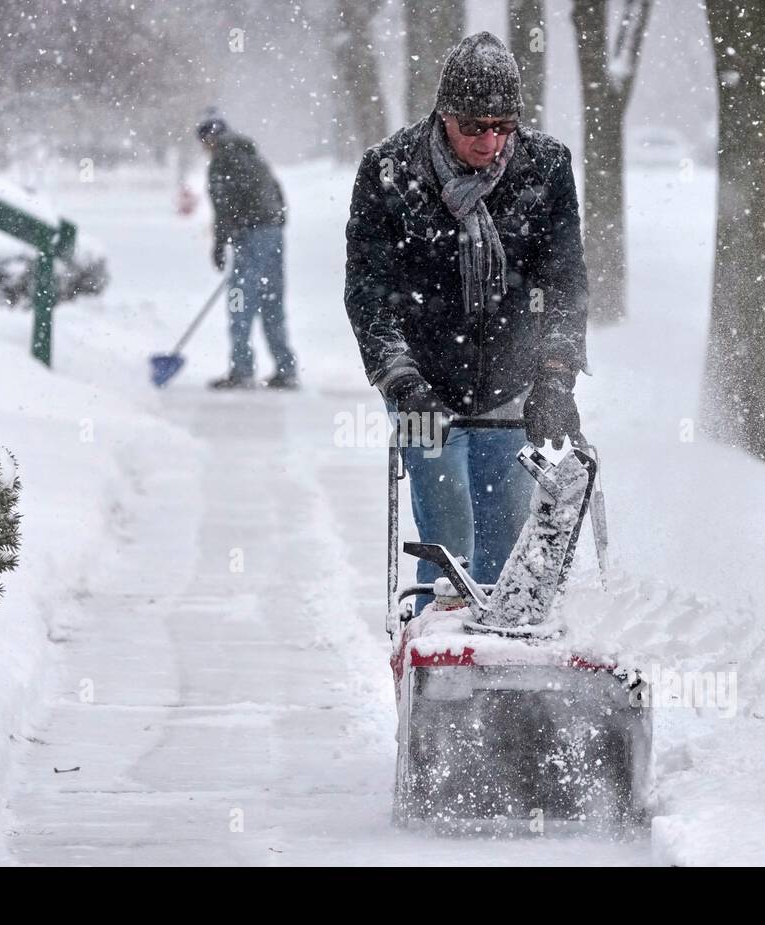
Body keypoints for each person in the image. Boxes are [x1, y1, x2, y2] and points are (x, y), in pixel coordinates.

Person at [343, 32, 589, 606]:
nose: (490, 141)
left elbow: (565, 282)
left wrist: (555, 375)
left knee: (506, 561)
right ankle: (438, 671)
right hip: (422, 382)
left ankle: (500, 679)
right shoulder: (388, 173)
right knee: (451, 547)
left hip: (512, 379)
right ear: (444, 114)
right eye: (476, 126)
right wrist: (402, 383)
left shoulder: (545, 167)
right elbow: (368, 290)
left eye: (503, 126)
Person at [197, 110, 299, 390]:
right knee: (271, 301)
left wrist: (220, 245)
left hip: (252, 234)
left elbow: (223, 206)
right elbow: (277, 192)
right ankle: (286, 368)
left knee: (240, 301)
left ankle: (241, 370)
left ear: (209, 139)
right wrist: (275, 222)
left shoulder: (222, 162)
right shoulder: (252, 155)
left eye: (203, 143)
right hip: (273, 234)